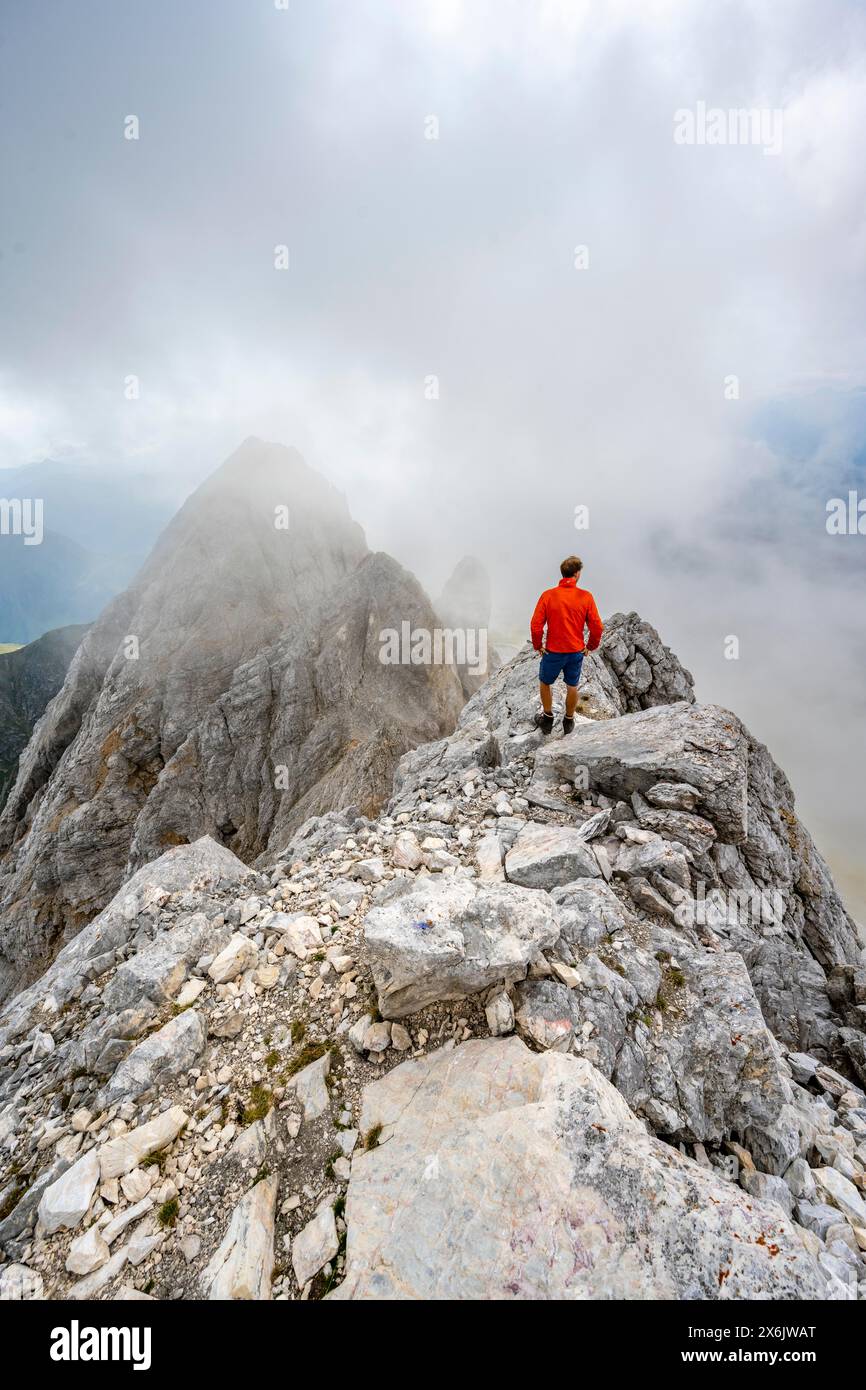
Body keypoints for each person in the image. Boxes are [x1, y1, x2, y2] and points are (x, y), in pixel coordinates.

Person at [530, 555, 603, 735]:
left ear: (563, 574)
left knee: (545, 682)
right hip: (576, 651)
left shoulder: (548, 595)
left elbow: (536, 624)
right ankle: (569, 721)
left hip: (553, 651)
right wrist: (590, 646)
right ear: (577, 574)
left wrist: (538, 645)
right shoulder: (586, 597)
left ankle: (547, 719)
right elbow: (597, 626)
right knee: (572, 686)